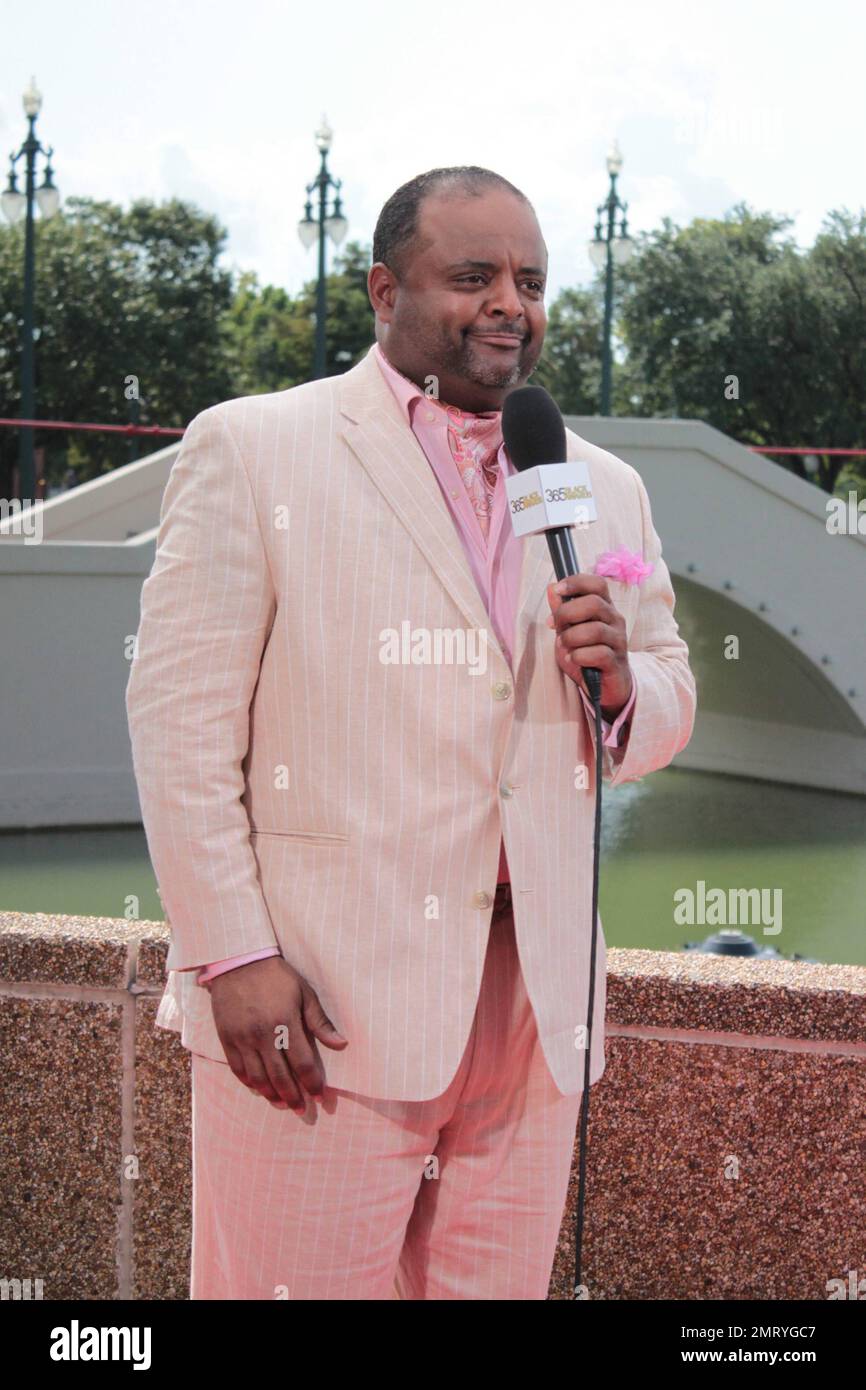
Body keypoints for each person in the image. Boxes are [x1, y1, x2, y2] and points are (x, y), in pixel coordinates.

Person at [125, 165, 696, 1300]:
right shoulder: (255, 448)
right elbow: (179, 723)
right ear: (384, 290)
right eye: (472, 275)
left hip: (531, 1013)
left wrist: (623, 685)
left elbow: (670, 689)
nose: (509, 305)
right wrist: (231, 955)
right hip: (317, 1010)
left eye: (529, 281)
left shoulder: (601, 486)